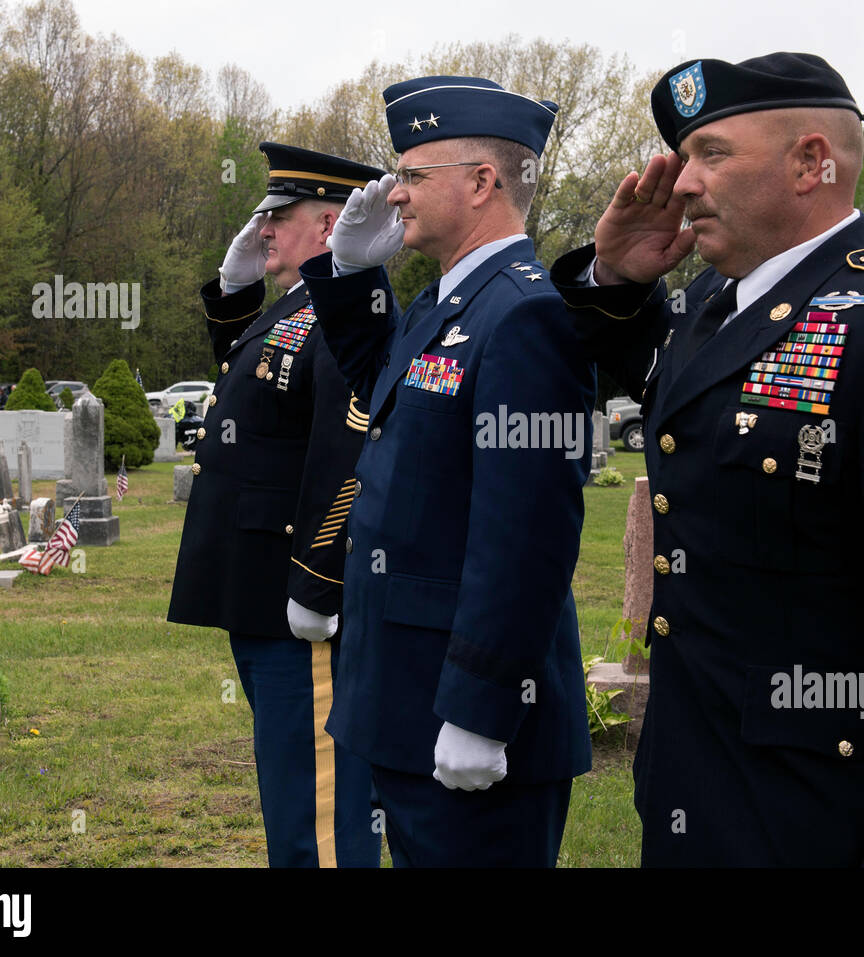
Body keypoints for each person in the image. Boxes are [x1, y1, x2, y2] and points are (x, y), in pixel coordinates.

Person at [550, 52, 864, 866]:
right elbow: (660, 385)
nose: (680, 183)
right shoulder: (710, 309)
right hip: (691, 792)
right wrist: (613, 276)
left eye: (711, 155)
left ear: (812, 163)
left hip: (815, 820)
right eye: (683, 159)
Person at [297, 76, 595, 866]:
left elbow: (526, 535)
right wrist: (352, 273)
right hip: (405, 699)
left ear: (482, 181)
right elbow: (387, 396)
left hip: (464, 714)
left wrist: (482, 706)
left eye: (414, 175)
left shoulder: (525, 313)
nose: (396, 195)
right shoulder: (445, 304)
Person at [167, 142, 388, 868]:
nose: (264, 228)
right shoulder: (300, 307)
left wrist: (318, 582)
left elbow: (342, 454)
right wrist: (234, 295)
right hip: (258, 592)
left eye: (279, 215)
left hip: (297, 601)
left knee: (319, 818)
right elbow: (257, 382)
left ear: (328, 227)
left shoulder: (345, 317)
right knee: (289, 796)